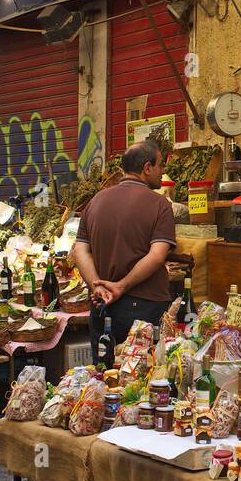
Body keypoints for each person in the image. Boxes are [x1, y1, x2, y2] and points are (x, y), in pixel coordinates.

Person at [71, 140, 176, 344]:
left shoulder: (95, 201)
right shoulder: (161, 205)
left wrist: (97, 288)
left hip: (103, 306)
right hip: (145, 308)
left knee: (103, 371)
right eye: (160, 165)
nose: (162, 172)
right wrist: (120, 286)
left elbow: (80, 251)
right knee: (143, 373)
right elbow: (157, 255)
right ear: (147, 168)